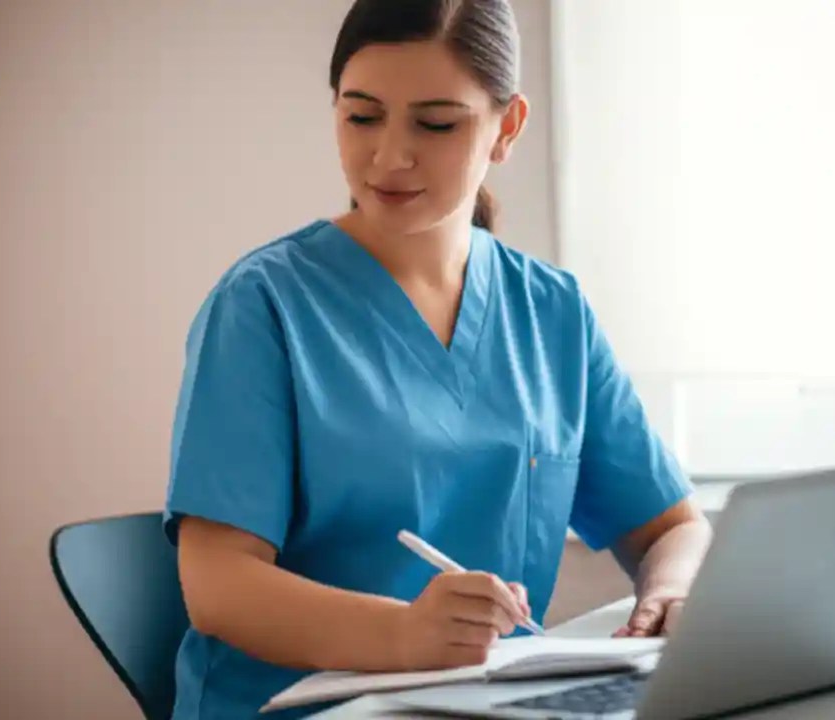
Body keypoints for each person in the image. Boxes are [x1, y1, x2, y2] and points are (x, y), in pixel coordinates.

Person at [162, 0, 712, 717]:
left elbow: (671, 526)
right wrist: (404, 633)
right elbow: (219, 588)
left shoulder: (552, 312)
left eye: (436, 123)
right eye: (362, 117)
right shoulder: (261, 307)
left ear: (506, 127)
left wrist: (671, 591)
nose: (390, 156)